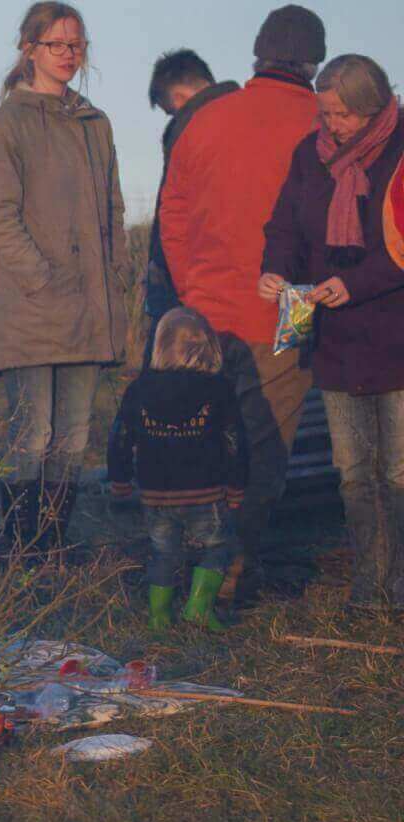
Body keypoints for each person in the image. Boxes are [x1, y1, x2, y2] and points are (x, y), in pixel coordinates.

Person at [158, 4, 326, 601]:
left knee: (200, 441)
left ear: (258, 54)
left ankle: (183, 560)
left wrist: (191, 293)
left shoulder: (208, 118)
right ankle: (229, 572)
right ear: (314, 62)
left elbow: (173, 216)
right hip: (286, 312)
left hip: (205, 313)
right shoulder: (324, 122)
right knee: (265, 450)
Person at [0, 2, 126, 557]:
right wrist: (41, 279)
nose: (68, 54)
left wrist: (115, 272)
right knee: (32, 436)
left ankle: (51, 551)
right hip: (32, 309)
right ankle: (22, 552)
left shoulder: (95, 123)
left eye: (76, 44)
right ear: (30, 49)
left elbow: (113, 209)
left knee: (74, 437)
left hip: (88, 305)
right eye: (56, 44)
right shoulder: (8, 123)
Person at [261, 54, 404, 613]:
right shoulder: (309, 155)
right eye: (325, 113)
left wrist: (356, 283)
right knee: (353, 475)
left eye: (343, 114)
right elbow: (285, 227)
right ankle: (370, 586)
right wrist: (275, 270)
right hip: (336, 341)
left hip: (395, 336)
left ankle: (400, 585)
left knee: (398, 473)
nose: (333, 125)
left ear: (373, 108)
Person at [108, 309, 249, 631]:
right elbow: (235, 441)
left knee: (163, 553)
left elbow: (120, 436)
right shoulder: (218, 388)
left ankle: (159, 617)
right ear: (209, 347)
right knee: (218, 546)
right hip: (206, 492)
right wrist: (237, 484)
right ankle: (198, 608)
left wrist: (120, 479)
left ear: (159, 345)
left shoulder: (139, 388)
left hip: (156, 493)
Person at [139, 49, 239, 368]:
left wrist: (167, 278)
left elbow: (173, 212)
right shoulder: (250, 115)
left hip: (197, 281)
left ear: (179, 98)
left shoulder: (188, 126)